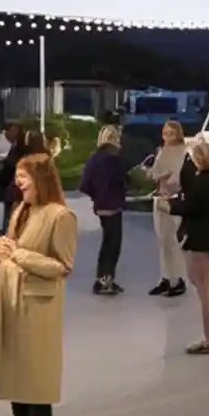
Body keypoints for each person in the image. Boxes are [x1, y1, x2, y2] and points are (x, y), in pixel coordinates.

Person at [0, 154, 78, 416]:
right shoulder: (21, 210)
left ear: (41, 179)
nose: (18, 182)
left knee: (36, 387)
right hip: (10, 305)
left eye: (24, 176)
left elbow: (62, 266)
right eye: (18, 176)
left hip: (37, 311)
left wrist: (18, 254)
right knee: (17, 382)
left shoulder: (61, 216)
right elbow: (9, 250)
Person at [166, 137, 209, 354]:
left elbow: (192, 206)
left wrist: (168, 205)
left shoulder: (203, 181)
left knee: (205, 288)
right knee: (206, 285)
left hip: (202, 237)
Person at [78, 125, 127, 295]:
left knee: (107, 242)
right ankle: (105, 279)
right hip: (114, 205)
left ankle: (103, 278)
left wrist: (96, 195)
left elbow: (84, 185)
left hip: (100, 205)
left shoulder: (94, 159)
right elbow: (122, 182)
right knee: (113, 244)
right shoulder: (115, 160)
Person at [146, 120, 188, 297]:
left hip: (173, 199)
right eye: (165, 133)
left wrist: (164, 177)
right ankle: (165, 277)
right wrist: (151, 174)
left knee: (173, 242)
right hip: (160, 197)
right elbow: (156, 172)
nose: (168, 137)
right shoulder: (162, 150)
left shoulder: (182, 152)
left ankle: (178, 279)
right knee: (162, 241)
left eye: (171, 133)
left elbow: (178, 176)